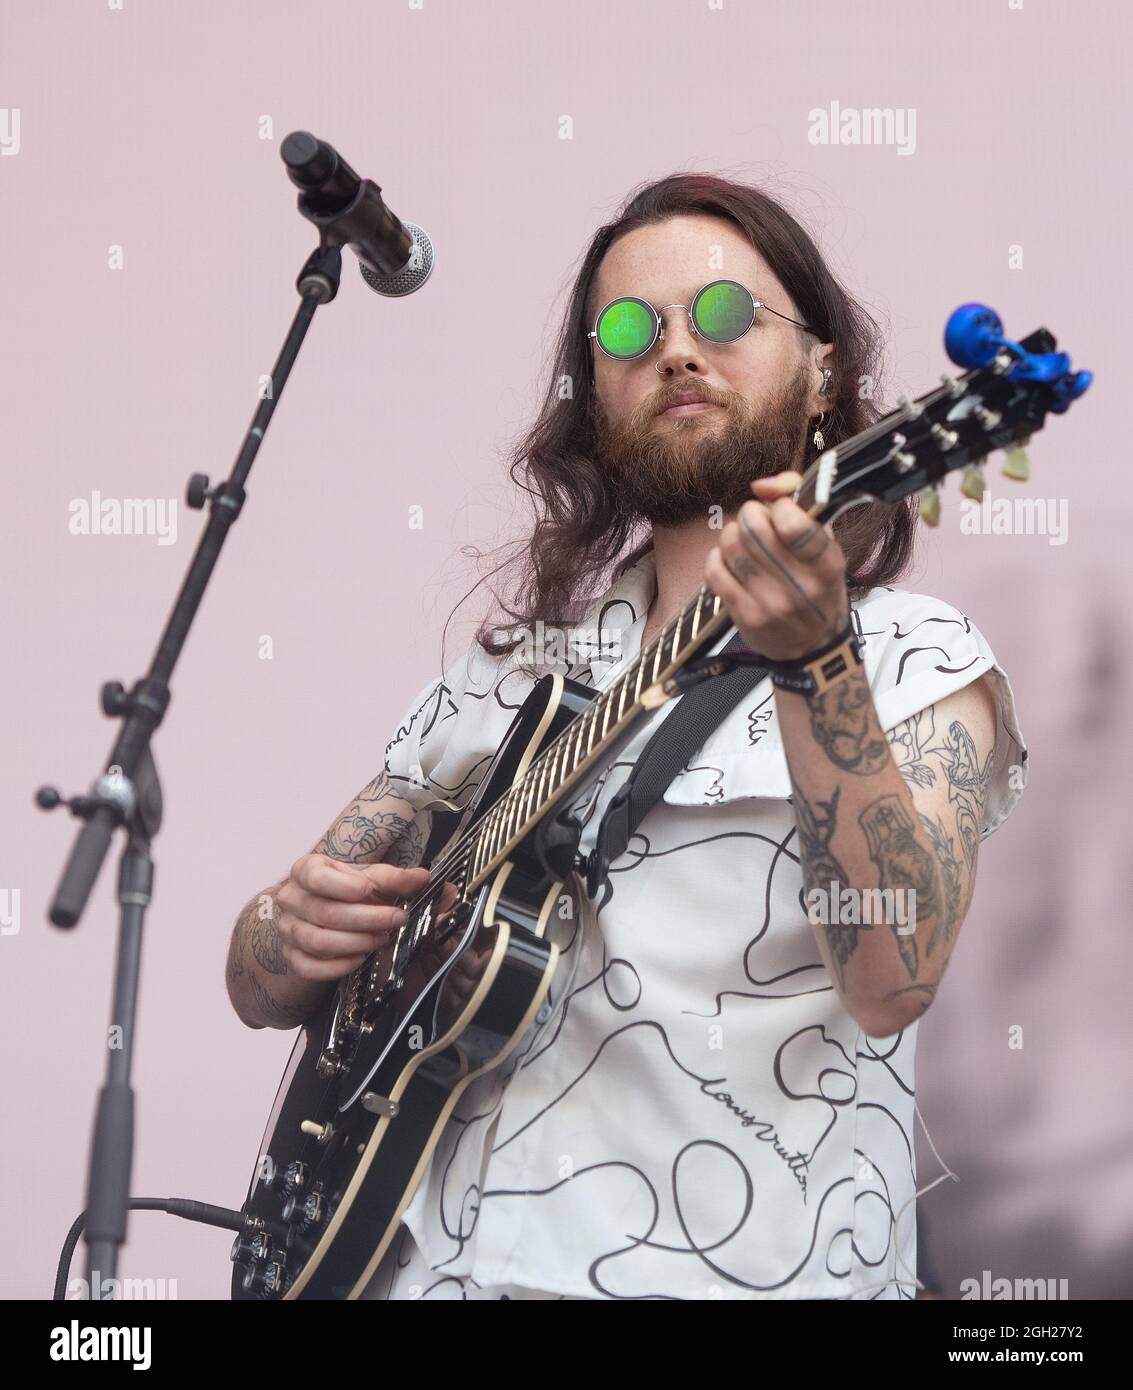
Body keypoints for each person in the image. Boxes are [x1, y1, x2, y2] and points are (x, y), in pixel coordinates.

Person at [225, 174, 1025, 1300]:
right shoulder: (508, 676)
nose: (677, 352)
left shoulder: (916, 663)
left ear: (822, 374)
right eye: (627, 328)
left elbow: (895, 977)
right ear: (593, 392)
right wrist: (282, 930)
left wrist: (814, 664)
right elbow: (259, 976)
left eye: (723, 316)